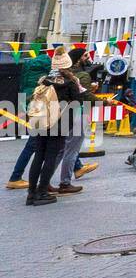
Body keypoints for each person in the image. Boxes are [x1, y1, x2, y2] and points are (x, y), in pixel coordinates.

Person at [22, 57, 76, 205]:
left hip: (41, 121)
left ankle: (31, 193)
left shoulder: (43, 80)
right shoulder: (69, 83)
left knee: (39, 155)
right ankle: (43, 192)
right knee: (51, 157)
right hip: (59, 123)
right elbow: (78, 102)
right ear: (67, 66)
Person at [53, 67, 97, 195]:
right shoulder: (73, 80)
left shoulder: (50, 80)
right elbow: (81, 99)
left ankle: (45, 181)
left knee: (60, 151)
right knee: (71, 151)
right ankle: (65, 183)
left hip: (60, 118)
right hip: (75, 116)